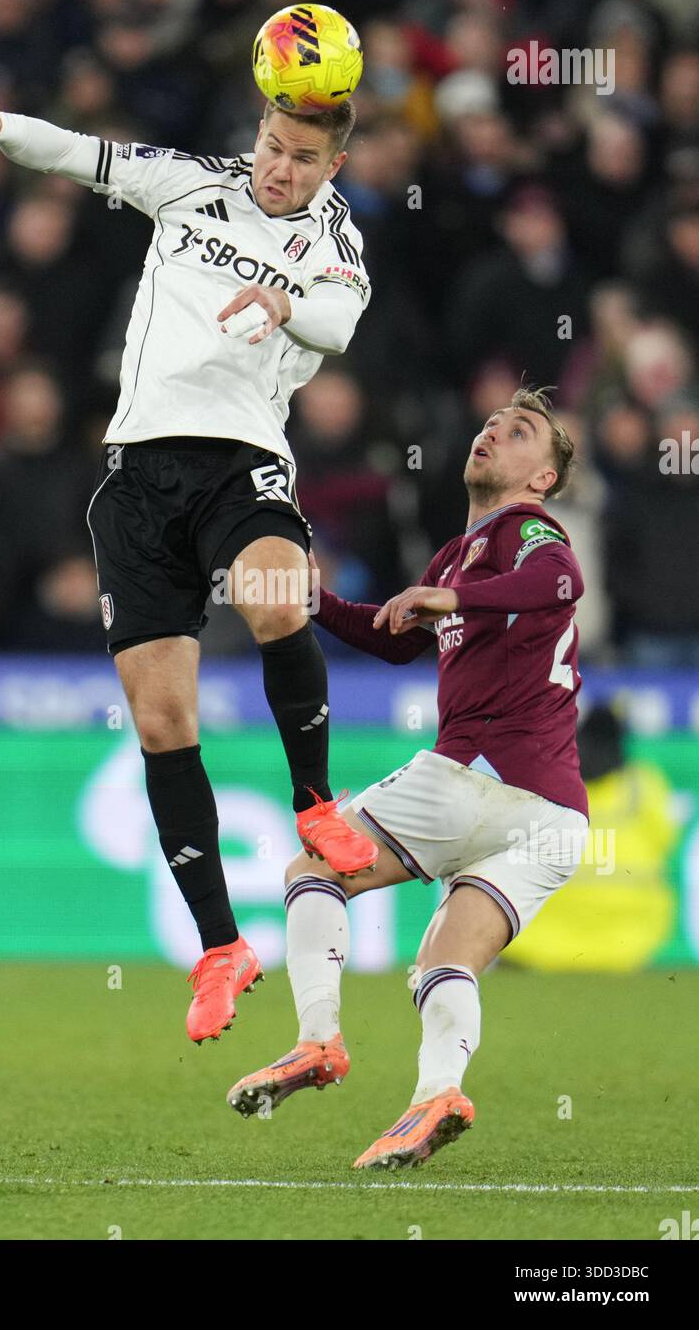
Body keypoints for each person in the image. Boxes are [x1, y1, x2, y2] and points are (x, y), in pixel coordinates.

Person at [0, 79, 378, 1046]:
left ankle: (315, 805)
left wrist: (283, 299)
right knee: (161, 721)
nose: (281, 167)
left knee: (274, 600)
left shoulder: (336, 244)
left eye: (304, 158)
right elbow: (86, 155)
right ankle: (221, 946)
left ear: (333, 167)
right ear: (257, 135)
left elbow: (340, 325)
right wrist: (3, 124)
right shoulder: (191, 186)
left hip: (242, 463)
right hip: (137, 478)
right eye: (273, 145)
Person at [227, 387, 590, 1171]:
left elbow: (563, 581)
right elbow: (396, 639)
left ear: (544, 479)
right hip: (555, 818)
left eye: (520, 430)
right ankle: (437, 1096)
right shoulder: (456, 558)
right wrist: (312, 601)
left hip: (484, 776)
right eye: (491, 420)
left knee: (314, 869)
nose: (493, 429)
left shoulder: (527, 534)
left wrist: (451, 594)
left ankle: (318, 1041)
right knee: (442, 962)